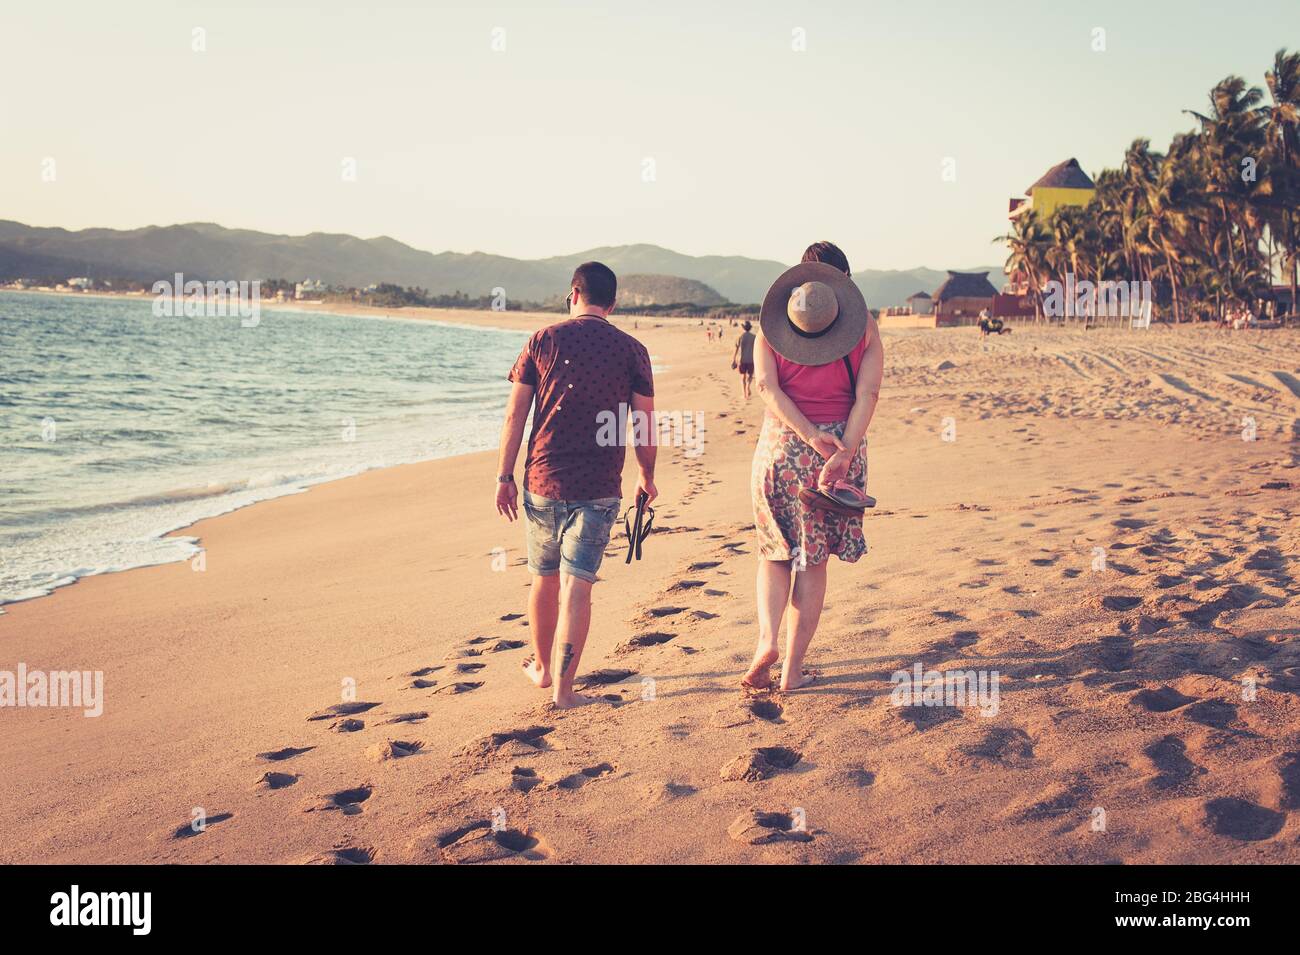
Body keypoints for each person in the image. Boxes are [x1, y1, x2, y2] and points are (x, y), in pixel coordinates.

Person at [495, 262, 657, 708]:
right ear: (613, 304)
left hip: (543, 481)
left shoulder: (542, 340)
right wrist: (647, 474)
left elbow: (515, 417)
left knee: (543, 580)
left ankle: (545, 670)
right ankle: (565, 692)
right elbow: (642, 424)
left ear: (573, 294)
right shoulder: (632, 350)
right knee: (577, 586)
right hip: (600, 486)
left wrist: (504, 475)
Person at [744, 241, 883, 691]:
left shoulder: (770, 326)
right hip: (838, 448)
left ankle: (767, 639)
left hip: (780, 447)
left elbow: (765, 385)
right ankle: (792, 670)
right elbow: (868, 395)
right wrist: (842, 450)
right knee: (812, 560)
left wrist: (804, 432)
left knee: (774, 553)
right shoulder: (864, 327)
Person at [731, 320, 757, 399]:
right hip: (751, 360)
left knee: (743, 376)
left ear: (743, 328)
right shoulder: (754, 337)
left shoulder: (740, 337)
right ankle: (748, 387)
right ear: (750, 328)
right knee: (750, 375)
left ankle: (744, 394)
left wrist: (733, 359)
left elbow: (735, 349)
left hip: (742, 360)